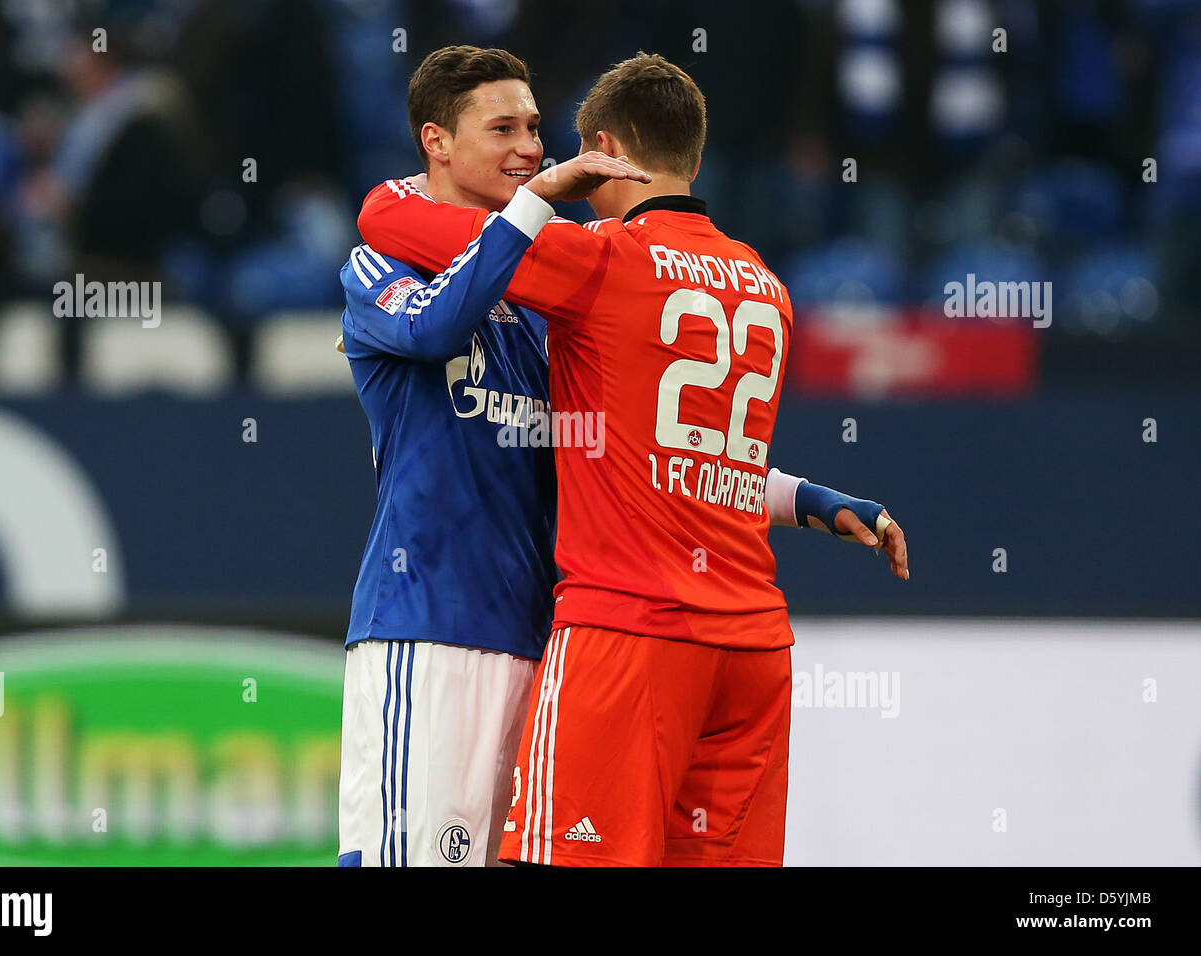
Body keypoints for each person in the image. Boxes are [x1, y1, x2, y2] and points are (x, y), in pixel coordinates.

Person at [342, 46, 906, 867]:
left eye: (537, 129)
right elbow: (428, 322)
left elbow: (648, 445)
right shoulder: (388, 266)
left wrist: (803, 497)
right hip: (433, 627)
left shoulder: (564, 282)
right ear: (436, 141)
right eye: (503, 128)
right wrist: (526, 205)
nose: (532, 149)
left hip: (551, 635)